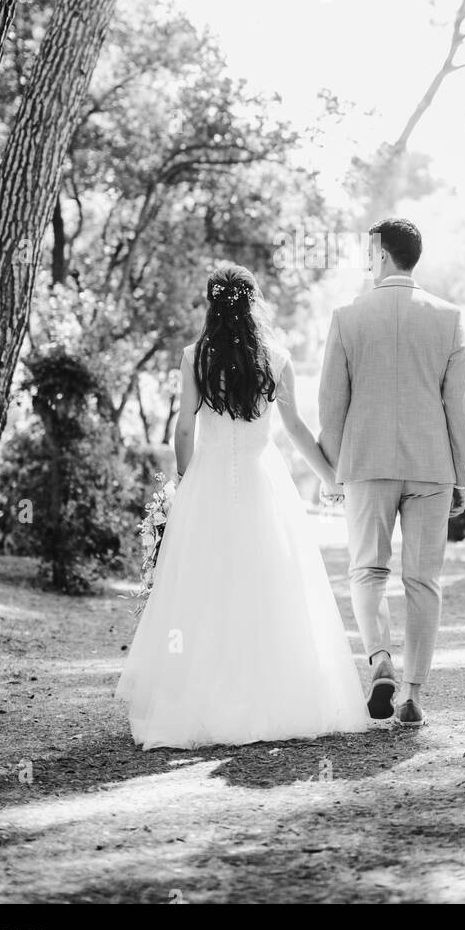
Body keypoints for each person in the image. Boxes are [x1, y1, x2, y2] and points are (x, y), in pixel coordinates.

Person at [116, 263, 369, 749]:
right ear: (252, 303)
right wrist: (330, 478)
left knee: (201, 586)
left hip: (207, 479)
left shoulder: (195, 356)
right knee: (269, 582)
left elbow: (184, 428)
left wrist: (182, 482)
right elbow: (294, 429)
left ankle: (198, 699)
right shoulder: (275, 356)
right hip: (263, 479)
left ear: (212, 303)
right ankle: (274, 697)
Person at [318, 219, 465, 728]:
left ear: (382, 256)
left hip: (367, 464)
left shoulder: (347, 317)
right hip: (432, 466)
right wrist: (461, 474)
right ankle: (411, 694)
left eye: (369, 253)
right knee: (423, 581)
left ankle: (380, 659)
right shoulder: (449, 318)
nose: (366, 261)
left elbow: (331, 407)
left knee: (367, 570)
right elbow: (457, 408)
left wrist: (331, 470)